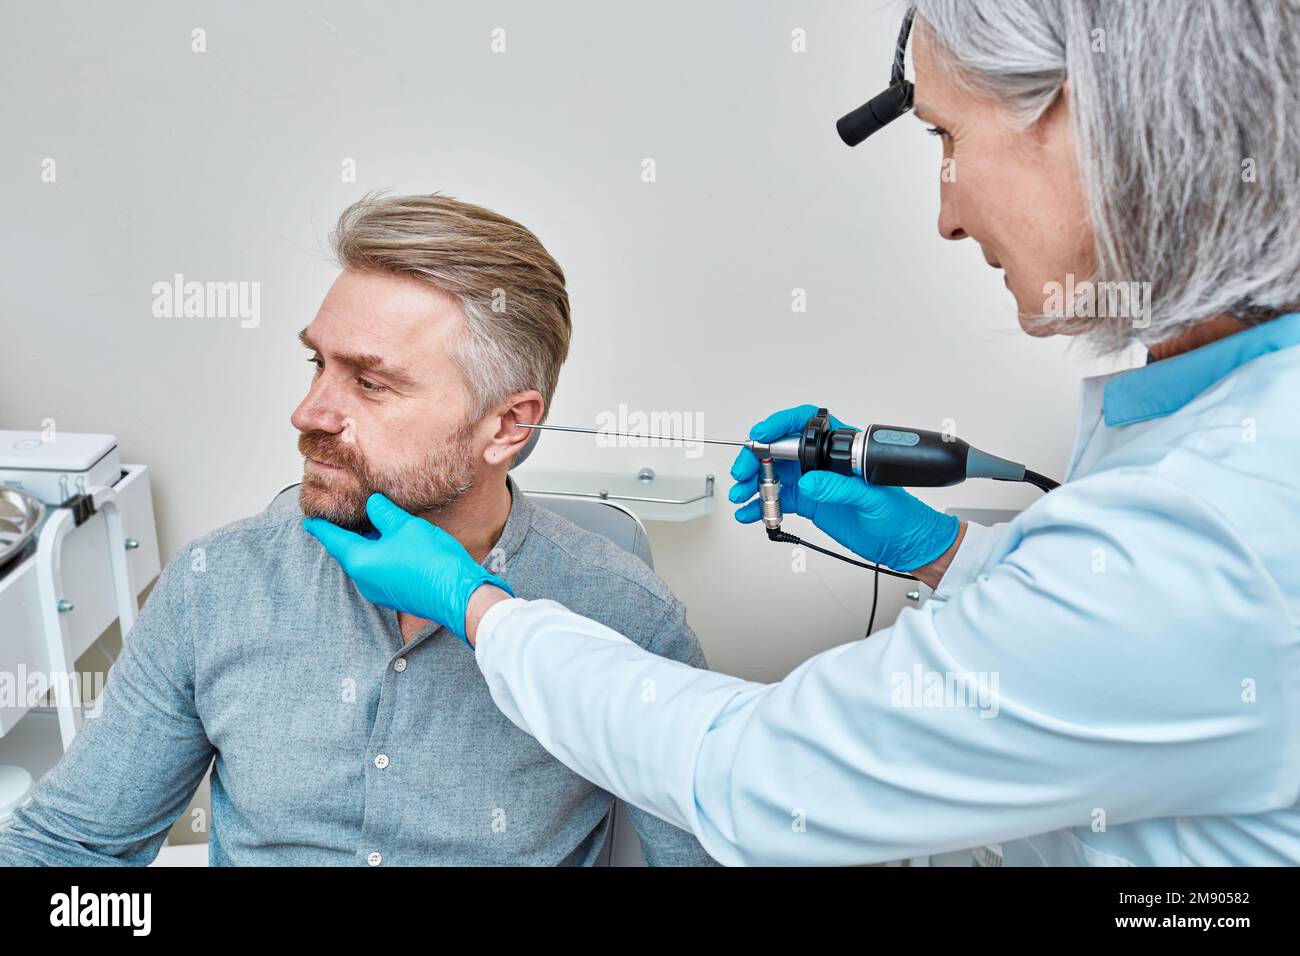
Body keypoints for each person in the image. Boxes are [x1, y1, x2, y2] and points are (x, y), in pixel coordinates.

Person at [304, 1, 1300, 866]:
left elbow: (752, 777)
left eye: (947, 140)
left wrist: (479, 605)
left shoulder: (1213, 525)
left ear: (1108, 129)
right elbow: (1120, 646)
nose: (947, 213)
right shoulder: (1225, 454)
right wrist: (952, 553)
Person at [0, 192, 715, 867]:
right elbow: (69, 845)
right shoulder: (215, 587)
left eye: (371, 382)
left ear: (507, 426)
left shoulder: (625, 618)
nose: (309, 412)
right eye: (318, 363)